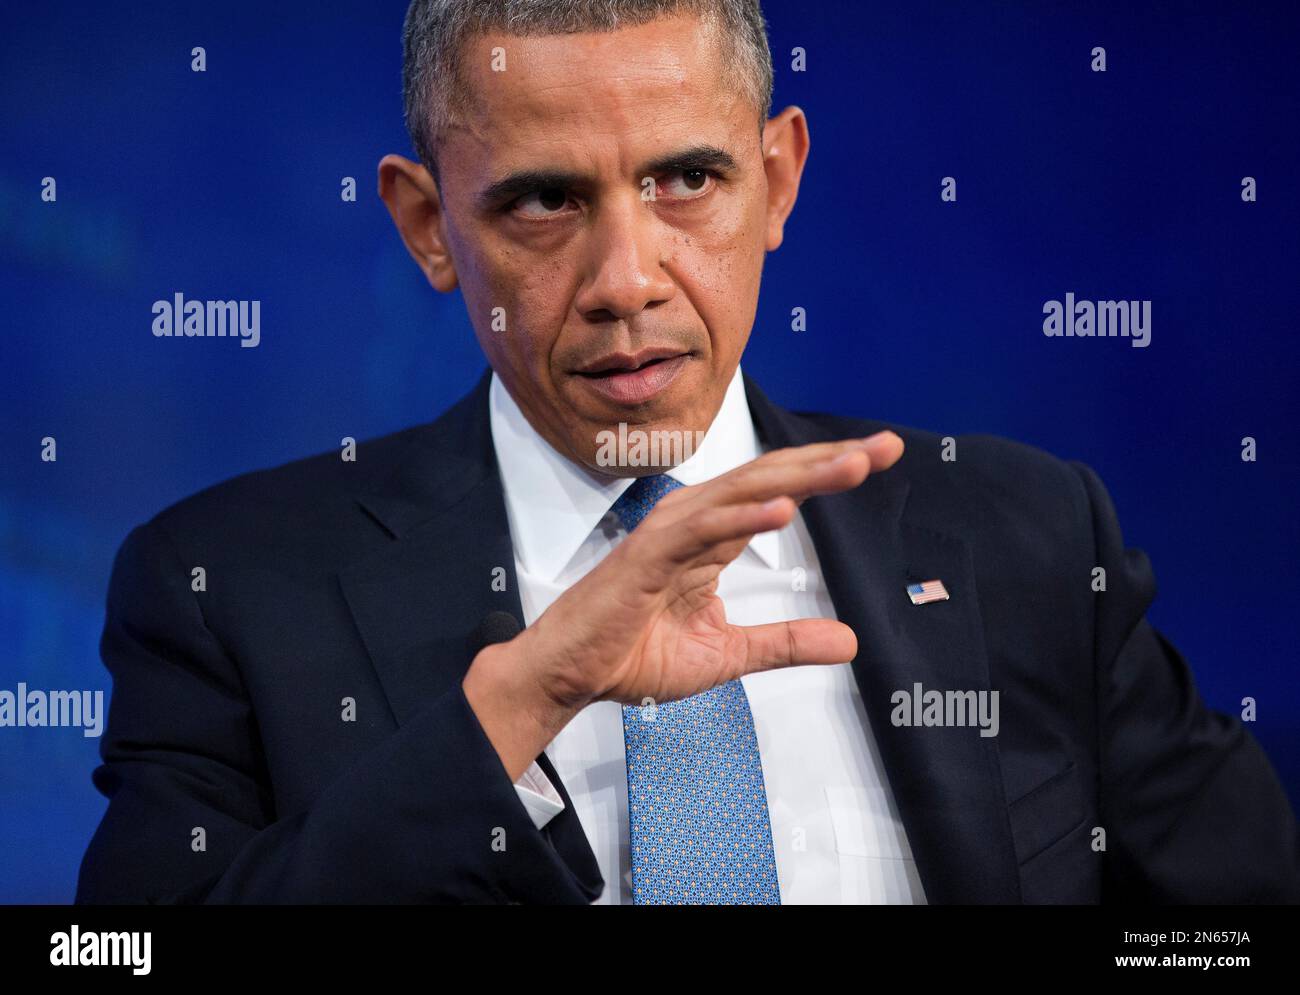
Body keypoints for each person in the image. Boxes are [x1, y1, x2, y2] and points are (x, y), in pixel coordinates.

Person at [75, 0, 1298, 904]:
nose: (625, 281)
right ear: (426, 224)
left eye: (685, 179)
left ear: (775, 180)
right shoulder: (223, 587)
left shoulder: (1025, 532)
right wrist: (507, 711)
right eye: (543, 200)